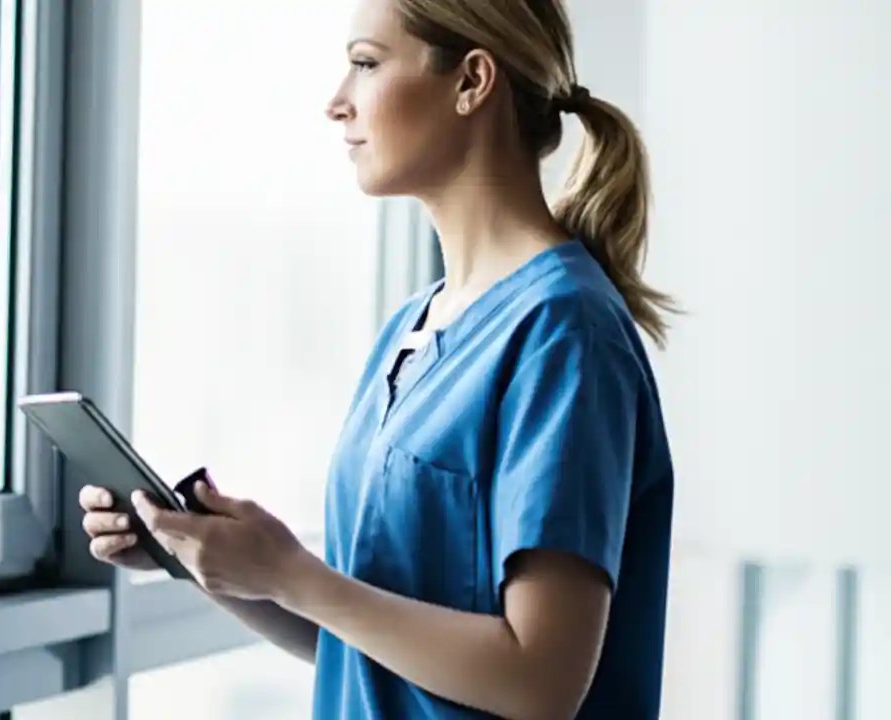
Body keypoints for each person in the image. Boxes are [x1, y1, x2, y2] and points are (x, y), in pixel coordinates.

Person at [79, 0, 675, 716]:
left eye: (365, 64)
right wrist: (206, 559)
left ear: (471, 81)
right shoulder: (411, 329)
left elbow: (538, 681)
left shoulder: (564, 332)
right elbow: (366, 646)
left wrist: (294, 574)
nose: (337, 103)